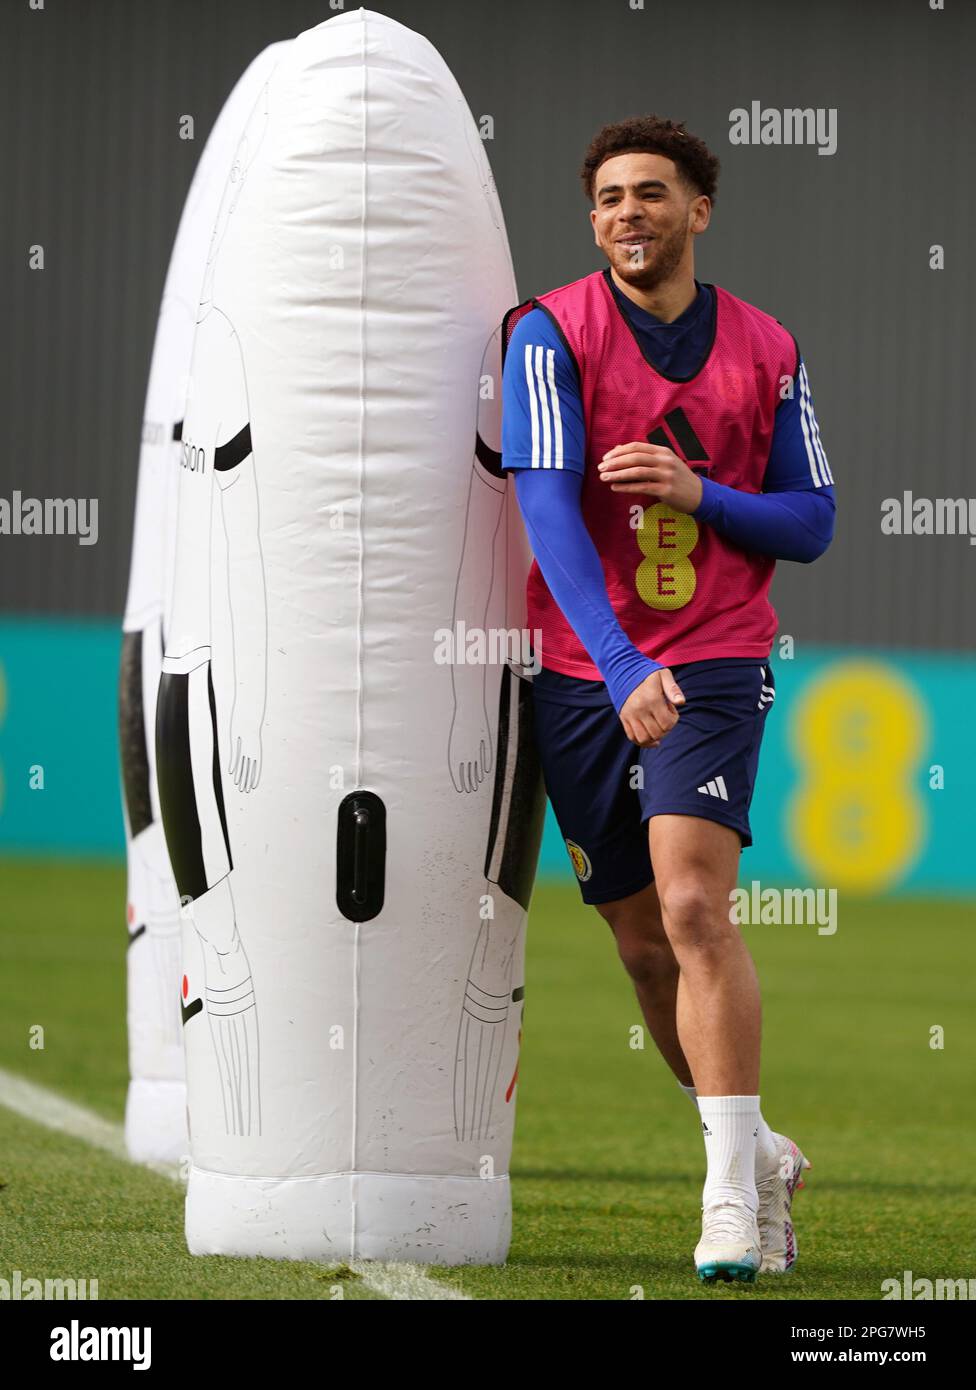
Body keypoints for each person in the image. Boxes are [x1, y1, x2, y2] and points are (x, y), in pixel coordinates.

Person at [500, 114, 834, 1283]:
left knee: (695, 909)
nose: (625, 214)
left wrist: (699, 489)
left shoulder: (767, 345)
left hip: (714, 662)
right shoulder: (547, 335)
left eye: (650, 193)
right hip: (588, 674)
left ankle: (727, 1200)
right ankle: (764, 1154)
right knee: (645, 954)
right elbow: (545, 508)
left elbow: (812, 521)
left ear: (700, 209)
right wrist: (617, 659)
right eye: (606, 199)